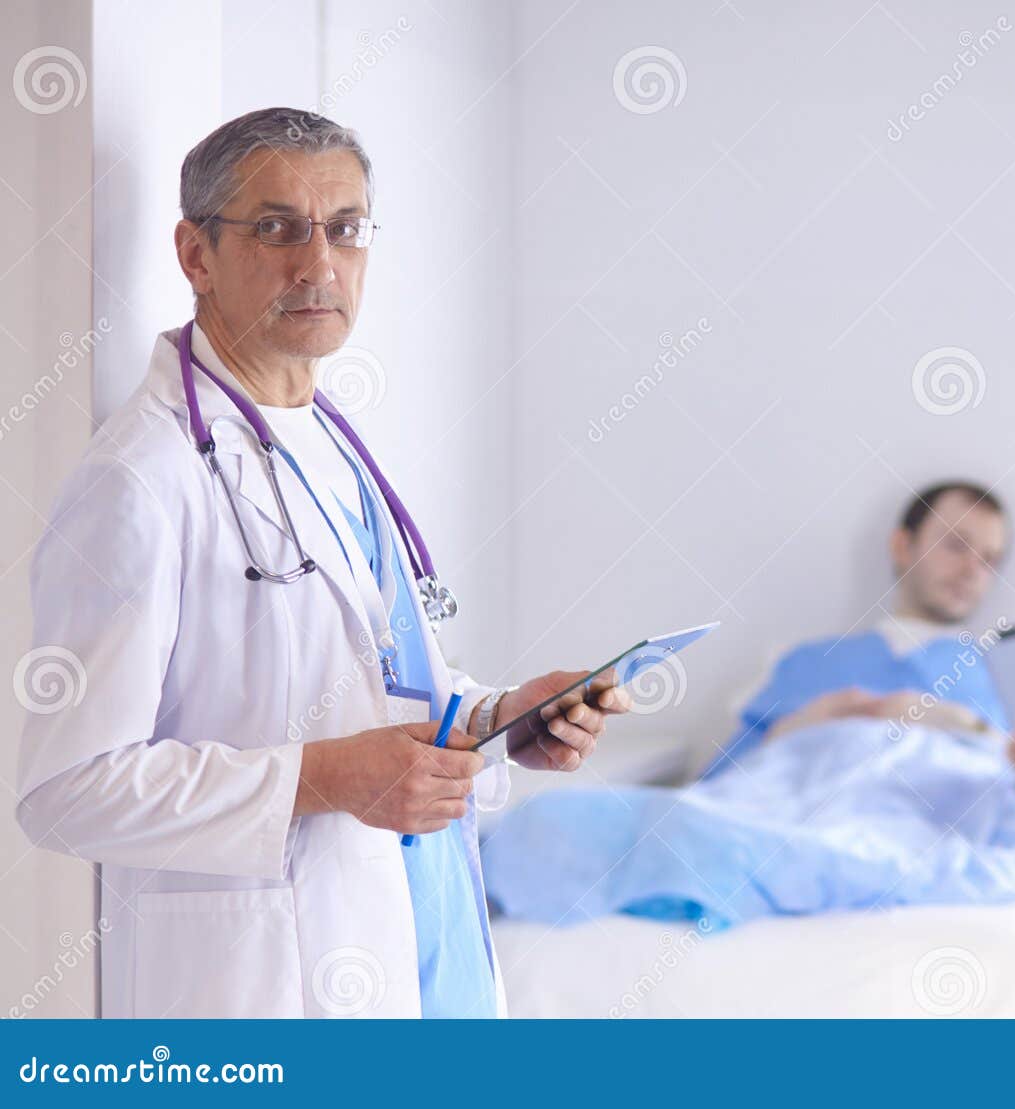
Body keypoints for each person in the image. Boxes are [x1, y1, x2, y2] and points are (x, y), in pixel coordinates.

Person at [13, 108, 631, 1019]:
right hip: (265, 991)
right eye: (276, 228)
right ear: (196, 255)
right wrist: (320, 777)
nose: (318, 263)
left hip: (427, 953)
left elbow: (372, 690)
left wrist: (503, 721)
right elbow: (66, 791)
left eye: (345, 229)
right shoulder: (140, 479)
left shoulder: (328, 438)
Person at [700, 481, 1015, 792]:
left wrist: (966, 727)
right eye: (956, 545)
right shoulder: (808, 662)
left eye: (989, 559)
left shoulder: (1013, 671)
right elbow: (716, 788)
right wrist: (804, 725)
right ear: (902, 545)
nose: (972, 570)